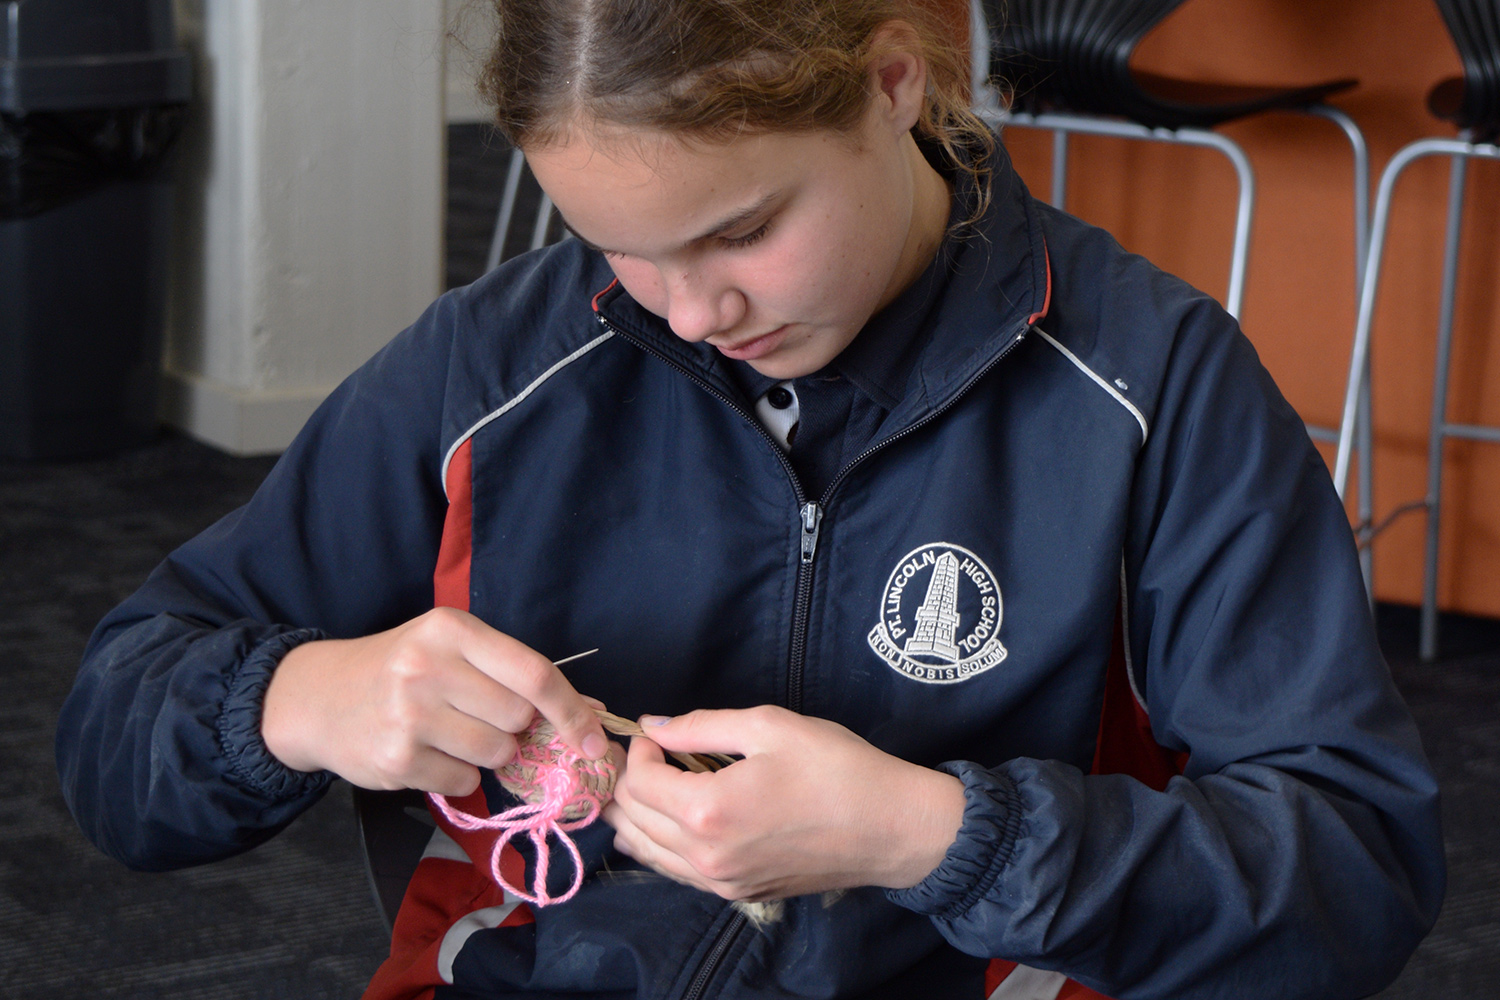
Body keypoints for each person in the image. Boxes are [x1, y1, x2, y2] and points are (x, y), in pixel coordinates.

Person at [56, 1, 1444, 998]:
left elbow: (1355, 874)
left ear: (894, 82)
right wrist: (298, 700)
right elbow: (115, 736)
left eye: (741, 232)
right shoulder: (494, 362)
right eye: (618, 246)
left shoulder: (1154, 381)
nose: (696, 310)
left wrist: (931, 836)